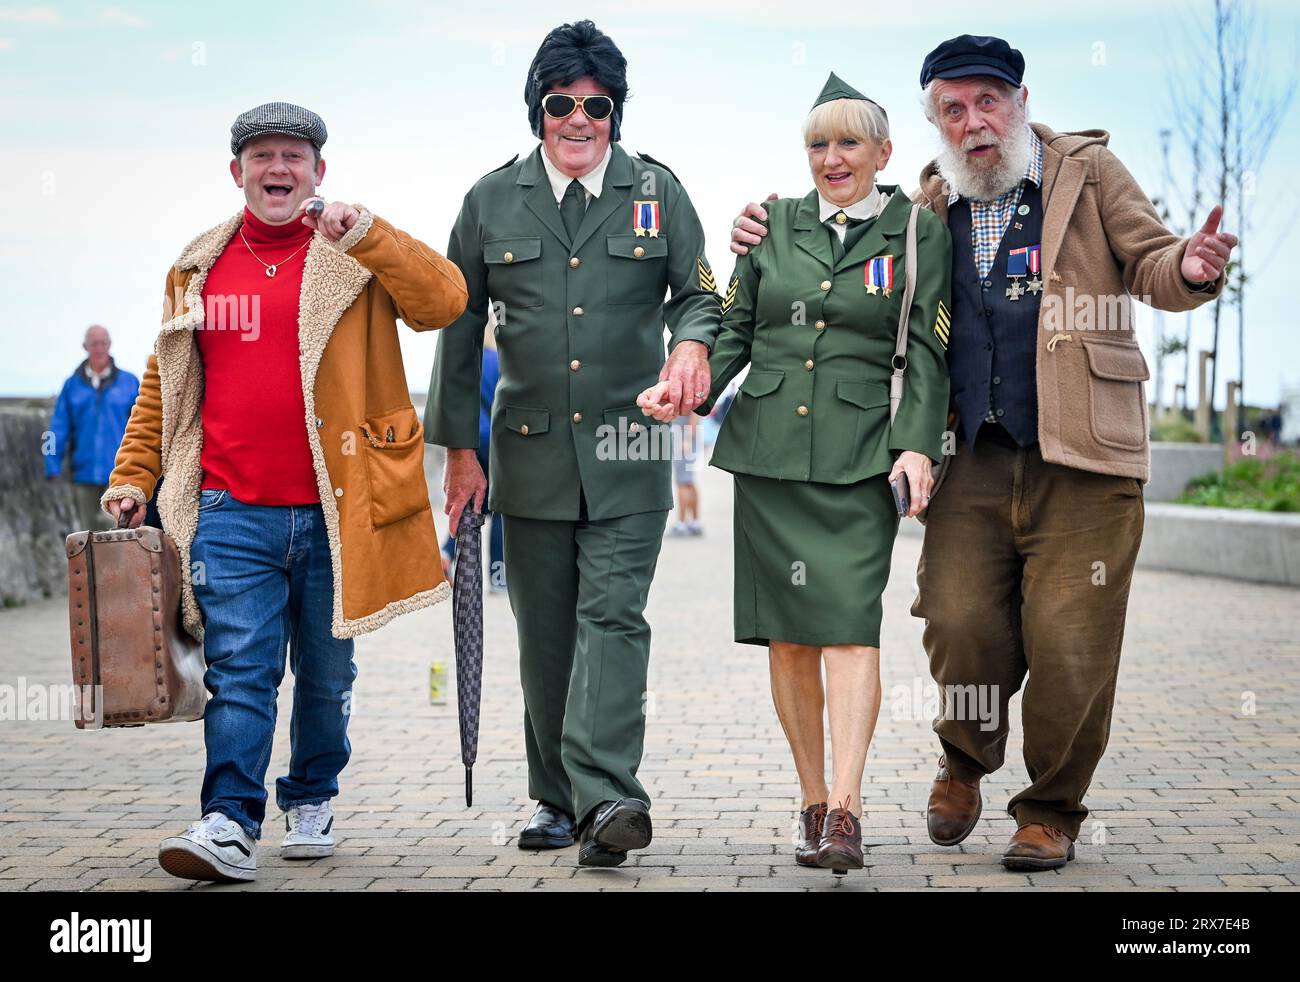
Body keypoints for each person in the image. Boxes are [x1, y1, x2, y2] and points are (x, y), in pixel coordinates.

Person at [731, 36, 1237, 872]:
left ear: (1021, 99)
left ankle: (1049, 810)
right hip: (971, 456)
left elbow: (1152, 261)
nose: (973, 123)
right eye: (953, 109)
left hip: (1083, 458)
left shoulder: (1087, 174)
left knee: (1071, 642)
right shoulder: (930, 205)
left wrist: (1189, 264)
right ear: (935, 120)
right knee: (959, 622)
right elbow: (849, 228)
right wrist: (763, 226)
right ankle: (963, 761)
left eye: (987, 102)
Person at [100, 102, 468, 882]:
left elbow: (444, 300)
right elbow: (162, 387)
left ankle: (312, 795)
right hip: (230, 511)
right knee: (241, 670)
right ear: (237, 172)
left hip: (343, 510)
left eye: (293, 156)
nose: (277, 168)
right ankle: (228, 822)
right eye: (261, 155)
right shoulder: (198, 266)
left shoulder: (354, 254)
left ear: (318, 172)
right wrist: (134, 476)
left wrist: (367, 230)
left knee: (328, 678)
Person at [427, 20, 722, 868]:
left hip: (632, 448)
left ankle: (608, 798)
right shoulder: (491, 201)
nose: (579, 118)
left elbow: (699, 291)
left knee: (613, 618)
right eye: (563, 103)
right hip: (528, 454)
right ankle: (557, 799)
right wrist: (460, 450)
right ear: (539, 110)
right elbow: (457, 325)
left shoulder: (658, 192)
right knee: (547, 631)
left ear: (615, 112)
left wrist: (693, 343)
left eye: (597, 104)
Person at [648, 73, 951, 873]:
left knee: (850, 628)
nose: (831, 157)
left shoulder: (916, 232)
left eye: (849, 141)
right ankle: (812, 800)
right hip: (771, 455)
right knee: (788, 640)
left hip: (860, 457)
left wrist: (916, 445)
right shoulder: (772, 224)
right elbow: (737, 327)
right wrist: (688, 381)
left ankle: (848, 810)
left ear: (884, 152)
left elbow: (926, 349)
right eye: (818, 143)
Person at [45, 325, 140, 532]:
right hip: (83, 473)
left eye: (103, 343)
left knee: (118, 531)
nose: (99, 348)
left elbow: (144, 425)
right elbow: (54, 430)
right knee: (87, 534)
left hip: (119, 472)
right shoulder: (71, 386)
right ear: (85, 347)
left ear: (110, 345)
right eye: (94, 344)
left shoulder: (129, 382)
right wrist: (51, 462)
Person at [440, 328, 505, 593]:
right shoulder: (502, 363)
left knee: (466, 504)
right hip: (496, 439)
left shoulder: (471, 362)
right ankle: (498, 577)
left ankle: (446, 553)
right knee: (501, 507)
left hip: (467, 440)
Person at [665, 413, 702, 537]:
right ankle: (695, 523)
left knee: (682, 483)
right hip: (686, 438)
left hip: (683, 440)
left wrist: (687, 438)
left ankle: (681, 524)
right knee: (689, 482)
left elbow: (695, 413)